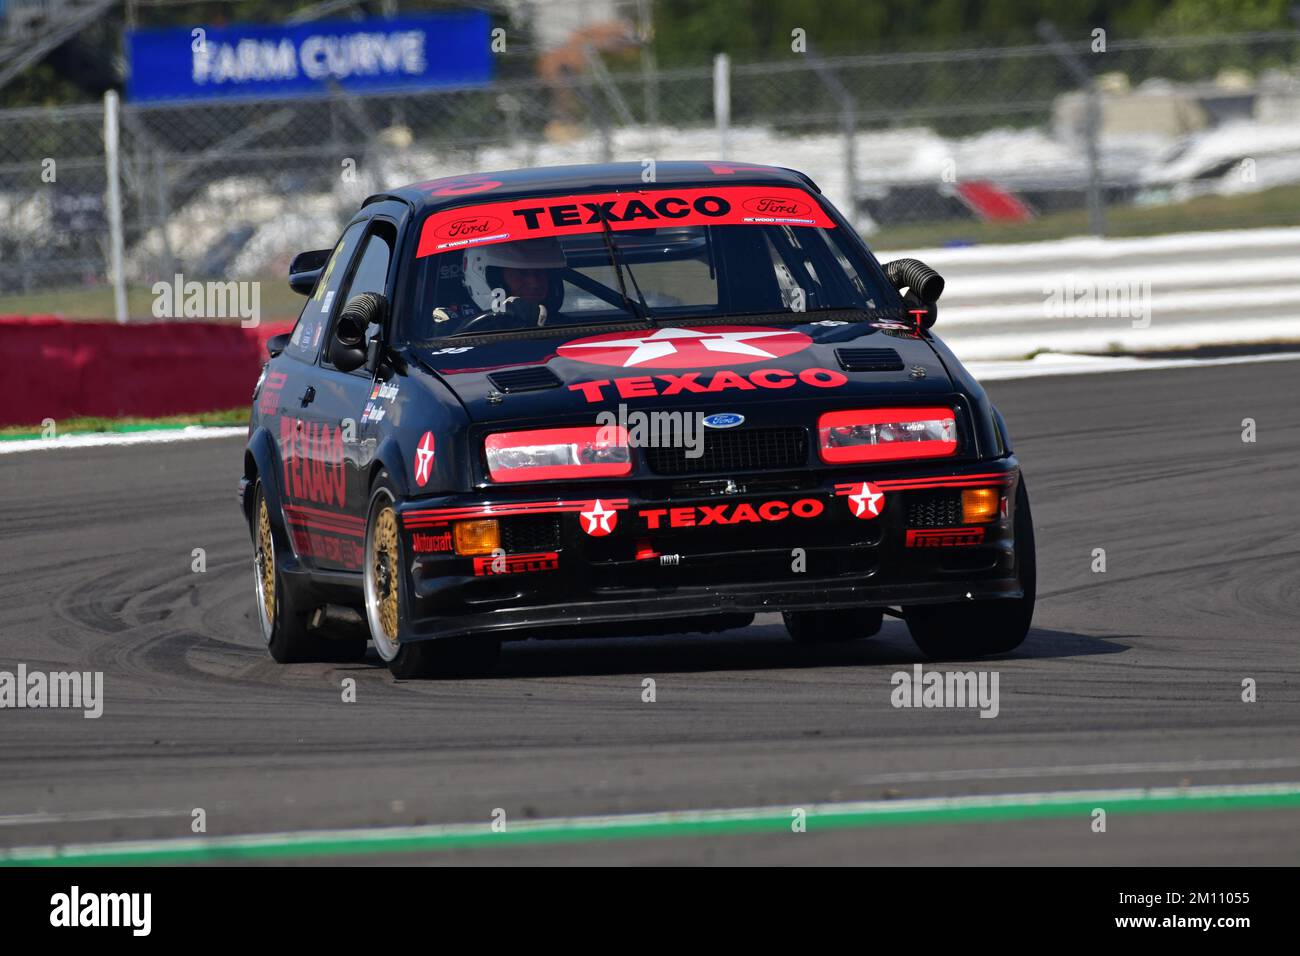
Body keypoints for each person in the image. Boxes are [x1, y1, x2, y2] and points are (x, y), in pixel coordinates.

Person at [462, 237, 566, 326]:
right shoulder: (457, 336)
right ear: (495, 278)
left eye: (540, 272)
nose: (534, 283)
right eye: (521, 273)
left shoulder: (570, 329)